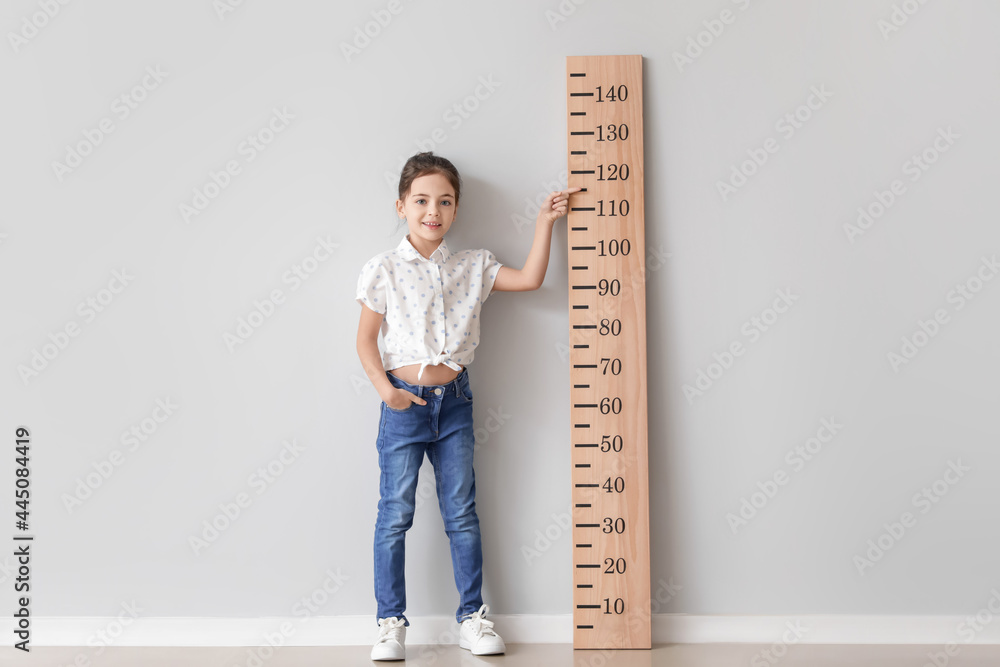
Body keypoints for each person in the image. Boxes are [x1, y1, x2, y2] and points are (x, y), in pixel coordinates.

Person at [356, 151, 578, 660]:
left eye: (445, 201)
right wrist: (386, 392)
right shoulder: (383, 269)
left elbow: (529, 280)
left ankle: (473, 618)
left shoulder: (472, 265)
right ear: (402, 206)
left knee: (461, 512)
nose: (433, 210)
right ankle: (390, 623)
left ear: (456, 210)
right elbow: (366, 340)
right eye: (421, 200)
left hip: (454, 403)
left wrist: (544, 223)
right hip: (403, 403)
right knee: (395, 514)